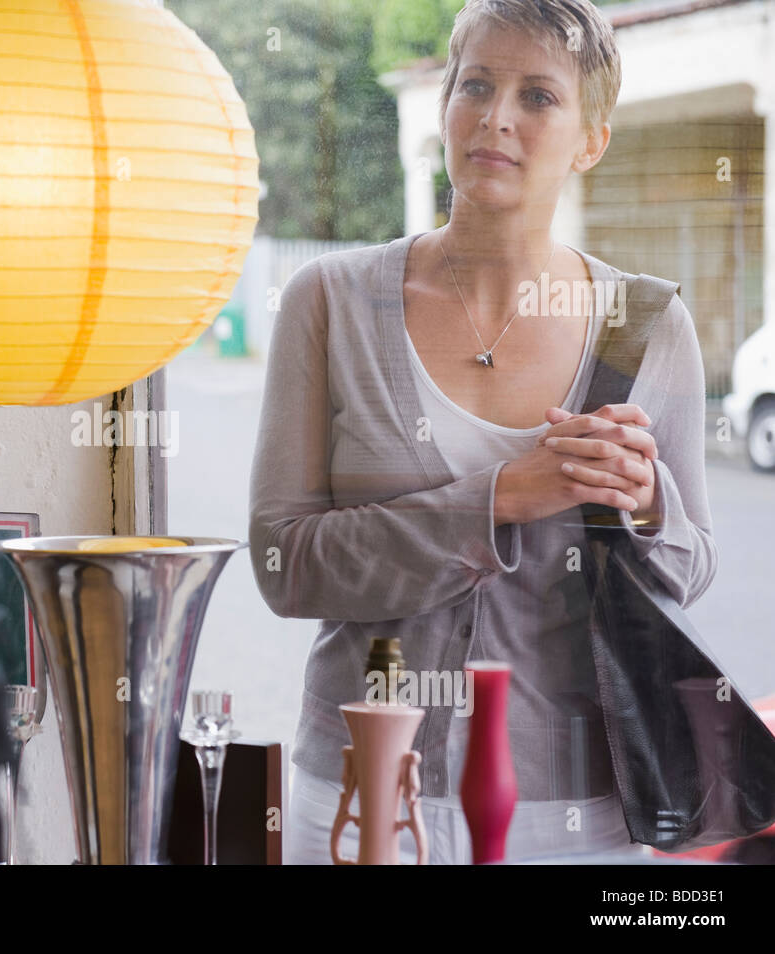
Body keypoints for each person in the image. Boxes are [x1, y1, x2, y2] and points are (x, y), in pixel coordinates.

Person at [248, 0, 718, 864]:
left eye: (539, 96)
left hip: (580, 814)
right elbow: (284, 564)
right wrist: (501, 498)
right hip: (361, 802)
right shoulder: (329, 301)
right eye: (476, 84)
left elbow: (689, 571)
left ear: (591, 141)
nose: (497, 117)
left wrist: (649, 505)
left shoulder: (644, 325)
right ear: (445, 106)